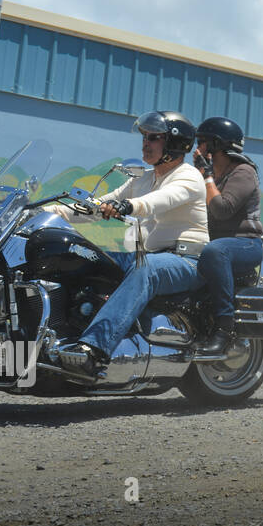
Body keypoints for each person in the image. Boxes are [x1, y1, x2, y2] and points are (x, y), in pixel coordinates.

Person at [53, 111, 208, 376]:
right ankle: (64, 331)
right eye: (145, 137)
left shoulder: (188, 176)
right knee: (86, 256)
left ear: (174, 144)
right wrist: (52, 212)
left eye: (154, 138)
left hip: (187, 261)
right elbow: (98, 206)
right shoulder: (143, 178)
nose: (145, 143)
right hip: (149, 256)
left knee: (145, 268)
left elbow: (161, 200)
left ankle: (93, 351)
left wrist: (127, 206)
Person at [193, 117, 263, 356]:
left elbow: (223, 210)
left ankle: (224, 329)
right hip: (214, 243)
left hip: (245, 244)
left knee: (216, 251)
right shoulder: (209, 174)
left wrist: (205, 176)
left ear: (215, 145)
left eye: (201, 142)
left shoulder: (243, 172)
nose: (196, 148)